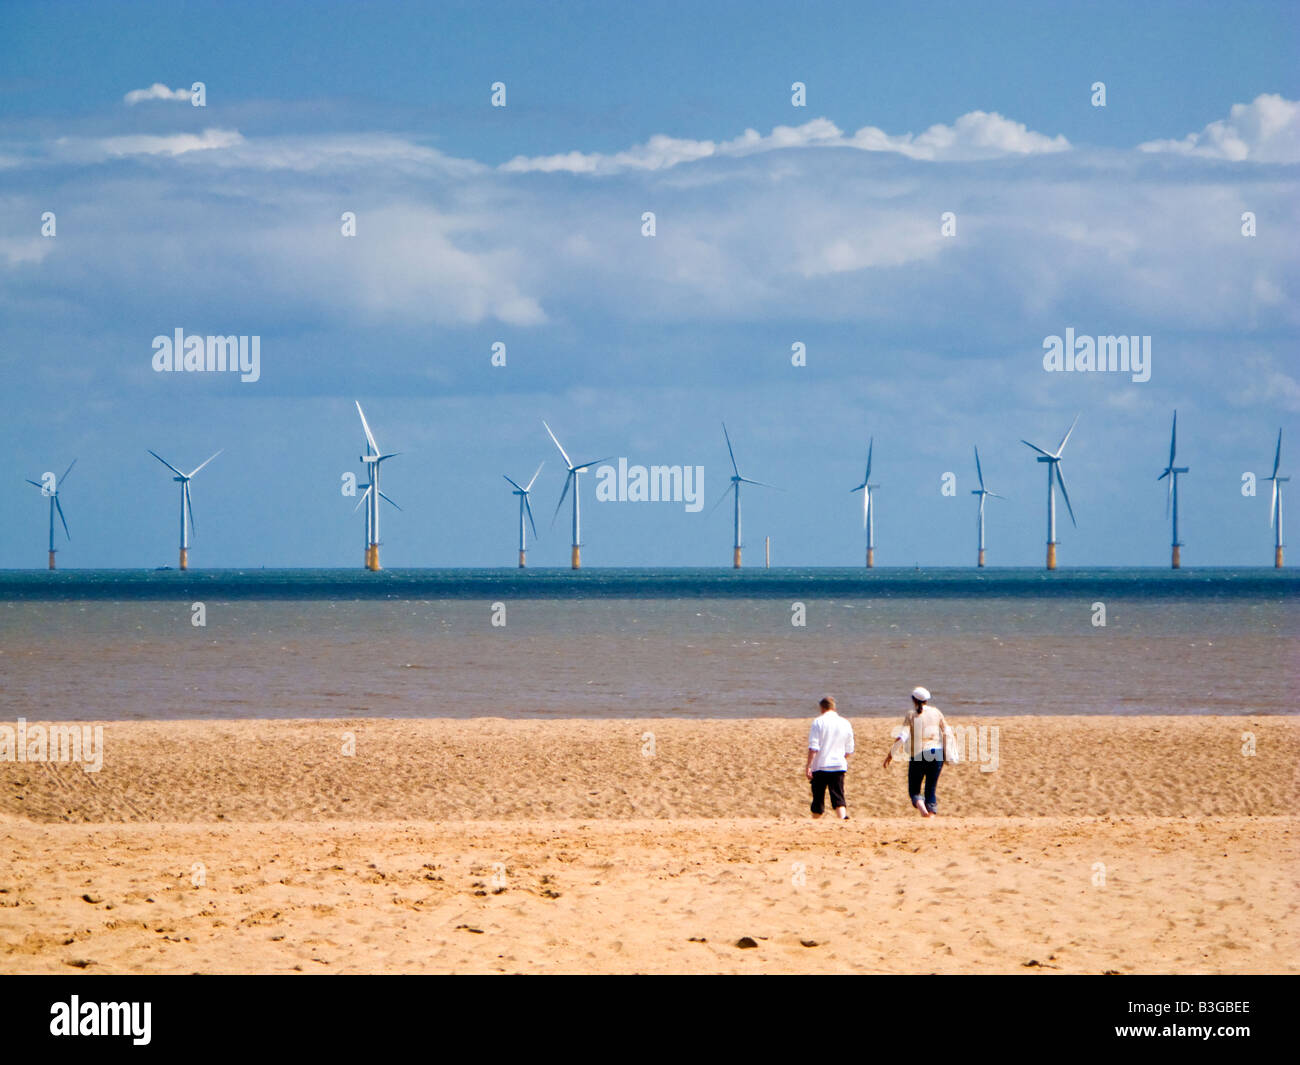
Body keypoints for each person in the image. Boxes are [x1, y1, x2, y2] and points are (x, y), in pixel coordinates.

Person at [883, 686, 949, 817]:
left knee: (914, 790)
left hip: (919, 754)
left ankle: (923, 811)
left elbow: (902, 735)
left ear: (913, 700)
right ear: (927, 700)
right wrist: (946, 753)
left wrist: (891, 754)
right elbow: (946, 731)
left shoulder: (911, 714)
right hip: (937, 753)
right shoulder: (936, 712)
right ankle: (931, 816)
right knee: (931, 788)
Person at [805, 696, 854, 820]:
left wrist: (808, 766)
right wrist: (840, 757)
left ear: (822, 708)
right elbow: (849, 749)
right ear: (834, 707)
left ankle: (815, 822)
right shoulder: (845, 722)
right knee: (838, 797)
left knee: (818, 799)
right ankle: (842, 820)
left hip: (820, 765)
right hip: (838, 765)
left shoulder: (818, 722)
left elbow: (813, 747)